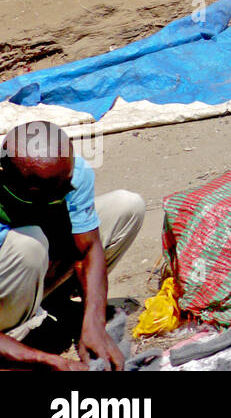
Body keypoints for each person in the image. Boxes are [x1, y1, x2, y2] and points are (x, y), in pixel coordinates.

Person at [0, 121, 146, 371]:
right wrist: (51, 362)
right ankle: (16, 331)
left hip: (36, 275)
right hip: (13, 278)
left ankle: (54, 304)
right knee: (29, 245)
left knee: (127, 206)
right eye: (47, 191)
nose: (64, 192)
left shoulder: (71, 175)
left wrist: (93, 324)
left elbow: (88, 250)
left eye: (65, 184)